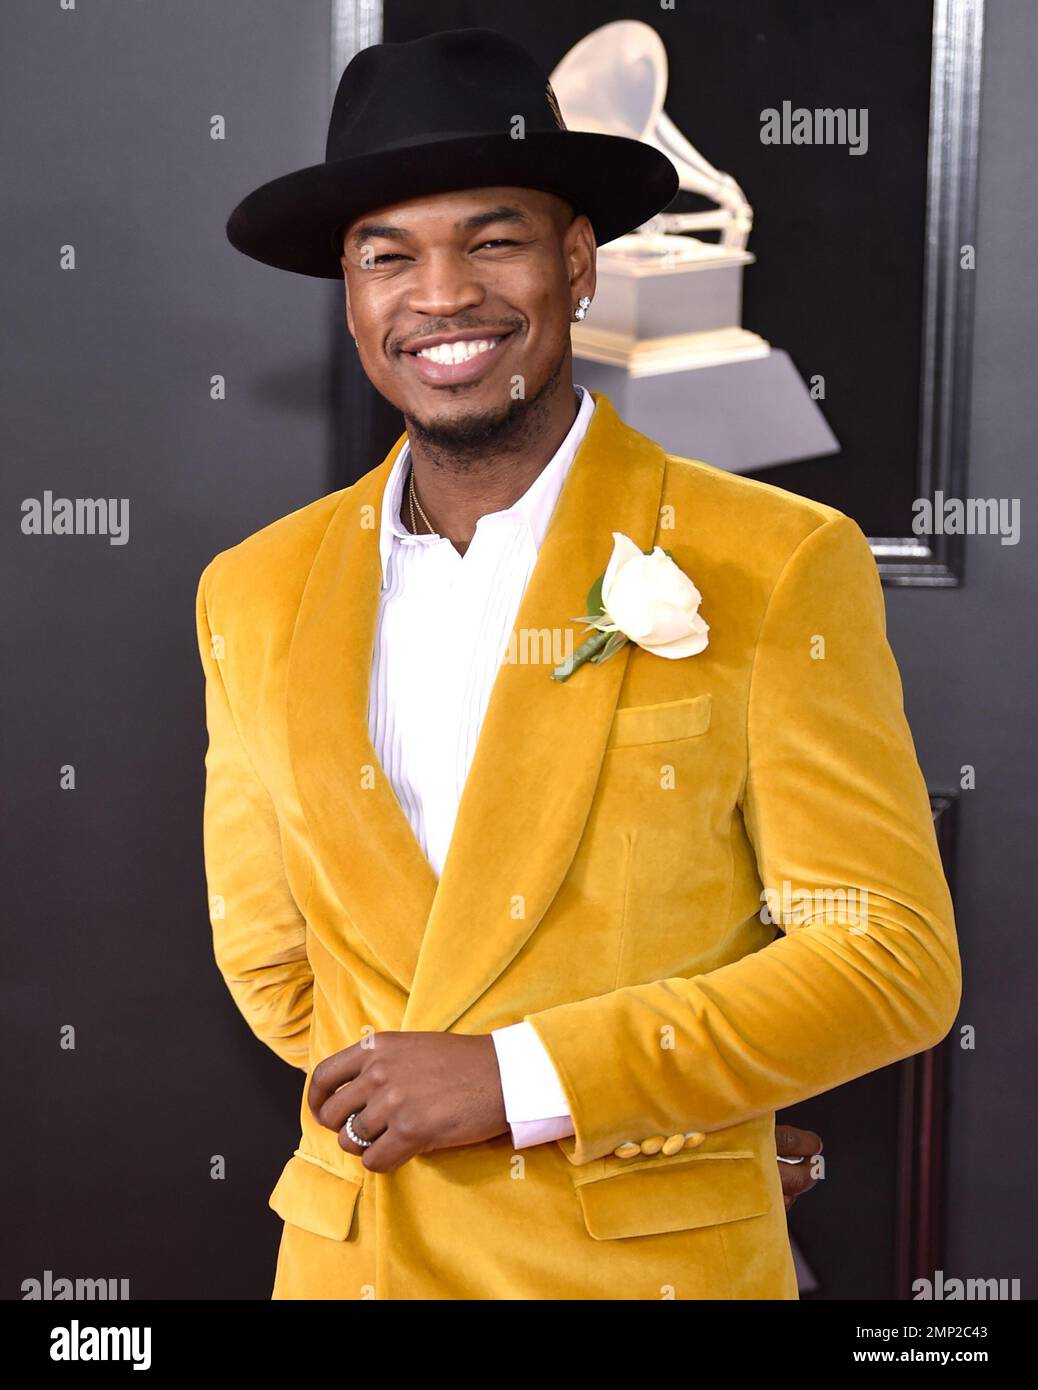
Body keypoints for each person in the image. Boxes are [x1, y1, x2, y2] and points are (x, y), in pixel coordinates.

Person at [197, 27, 960, 1300]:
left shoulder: (774, 559)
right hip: (353, 1267)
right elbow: (276, 966)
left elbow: (884, 954)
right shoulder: (254, 588)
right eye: (388, 255)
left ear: (578, 262)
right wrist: (685, 1112)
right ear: (350, 292)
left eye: (492, 241)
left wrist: (536, 1087)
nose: (440, 295)